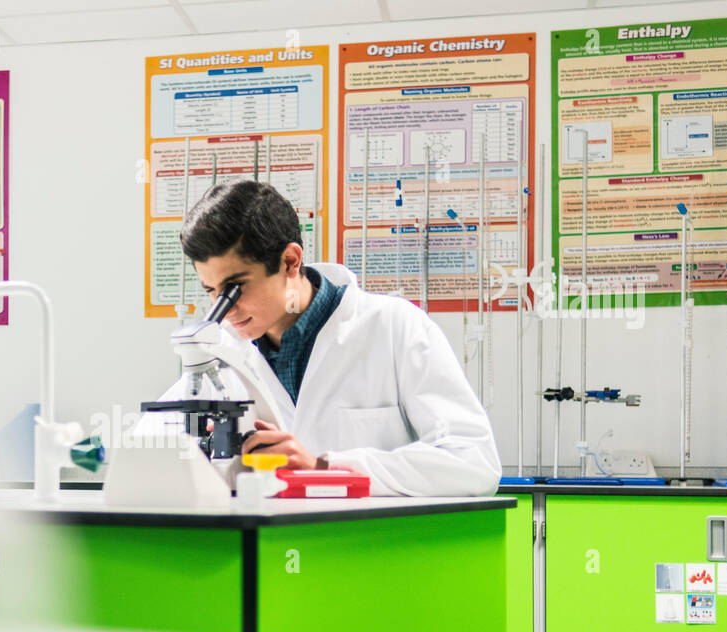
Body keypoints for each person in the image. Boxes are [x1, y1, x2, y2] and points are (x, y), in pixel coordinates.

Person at [155, 180, 501, 497]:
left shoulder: (395, 327)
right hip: (269, 553)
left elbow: (472, 463)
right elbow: (150, 440)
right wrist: (198, 449)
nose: (224, 310)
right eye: (211, 291)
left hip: (366, 552)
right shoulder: (219, 354)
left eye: (234, 289)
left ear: (290, 261)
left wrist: (324, 468)